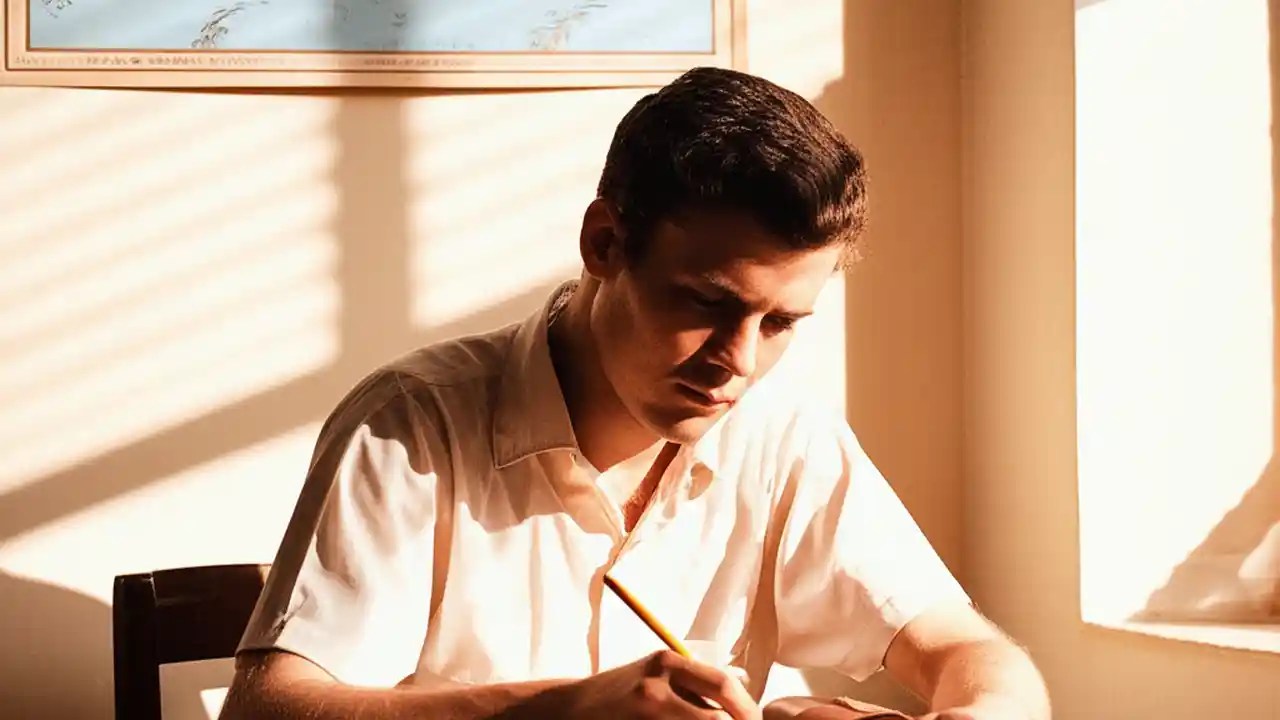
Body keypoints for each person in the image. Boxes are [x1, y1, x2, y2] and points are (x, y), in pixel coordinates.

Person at [219, 66, 1050, 720]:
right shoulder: (414, 425)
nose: (738, 361)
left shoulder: (783, 437)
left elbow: (962, 647)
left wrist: (981, 711)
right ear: (604, 241)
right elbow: (265, 712)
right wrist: (556, 710)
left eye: (779, 324)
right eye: (707, 304)